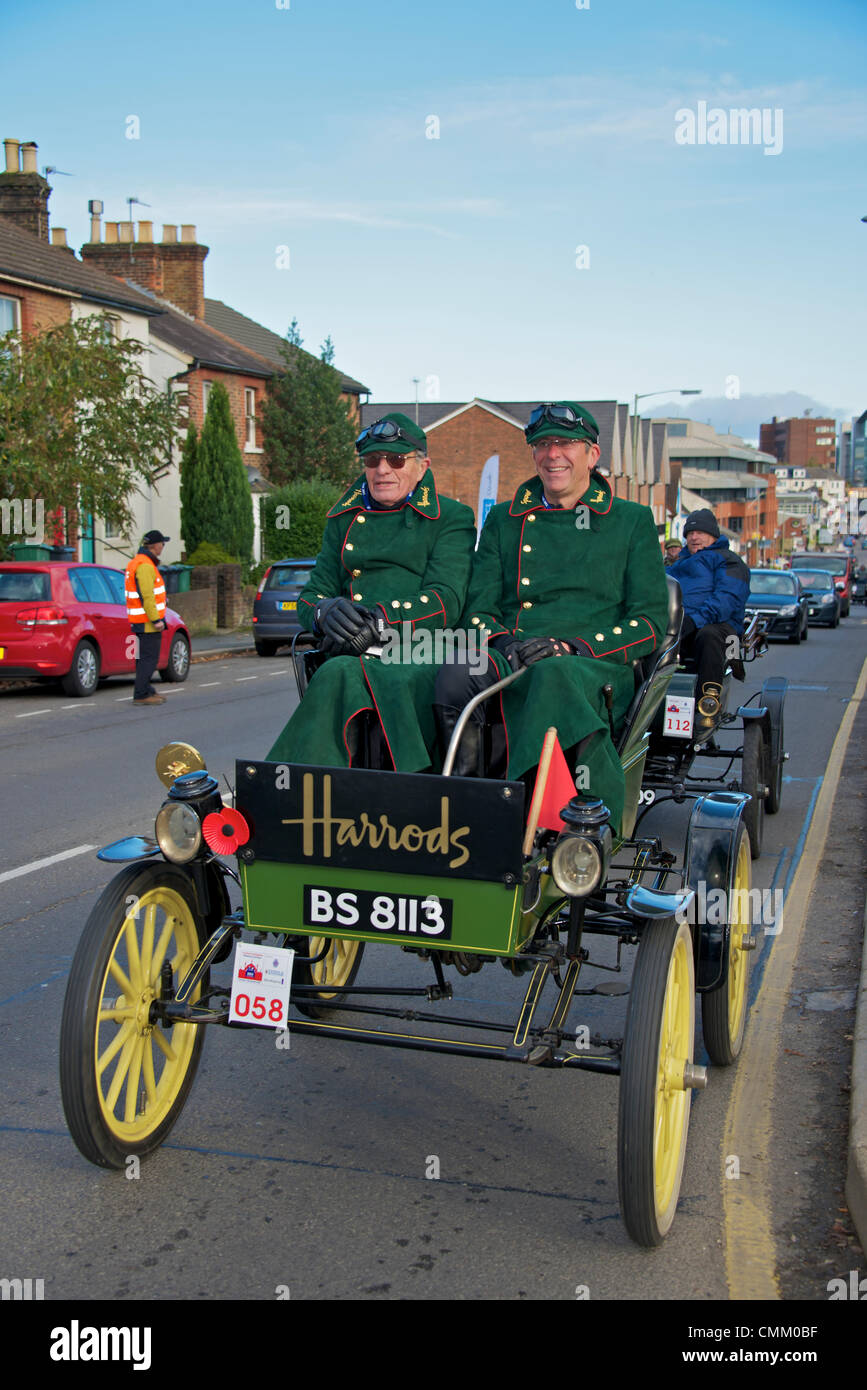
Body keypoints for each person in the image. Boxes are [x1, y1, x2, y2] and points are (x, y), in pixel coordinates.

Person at [433, 401, 670, 836]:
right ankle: (464, 808)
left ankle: (529, 816)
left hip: (591, 665)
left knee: (553, 674)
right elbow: (478, 611)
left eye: (565, 443)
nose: (552, 454)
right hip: (515, 652)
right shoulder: (505, 519)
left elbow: (650, 622)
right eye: (542, 444)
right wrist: (503, 642)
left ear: (592, 455)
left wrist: (575, 647)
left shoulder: (631, 520)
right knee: (454, 674)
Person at [266, 413, 476, 769]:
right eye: (372, 460)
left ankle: (294, 784)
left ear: (422, 466)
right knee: (340, 671)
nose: (383, 470)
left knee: (340, 674)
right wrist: (326, 613)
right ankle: (325, 789)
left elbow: (446, 600)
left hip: (424, 645)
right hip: (351, 647)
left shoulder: (451, 517)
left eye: (396, 460)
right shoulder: (343, 519)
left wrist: (378, 621)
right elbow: (312, 593)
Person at [666, 508, 750, 731]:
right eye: (690, 533)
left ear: (713, 535)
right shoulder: (675, 565)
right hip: (677, 626)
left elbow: (726, 600)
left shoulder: (730, 562)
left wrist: (694, 621)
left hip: (718, 627)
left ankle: (708, 703)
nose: (694, 537)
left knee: (709, 635)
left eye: (700, 532)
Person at [125, 529, 170, 706]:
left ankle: (146, 689)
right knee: (148, 658)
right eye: (162, 544)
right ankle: (141, 693)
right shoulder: (144, 565)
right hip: (147, 623)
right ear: (156, 546)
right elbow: (147, 595)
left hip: (138, 621)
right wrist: (156, 620)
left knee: (142, 658)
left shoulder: (137, 562)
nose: (163, 547)